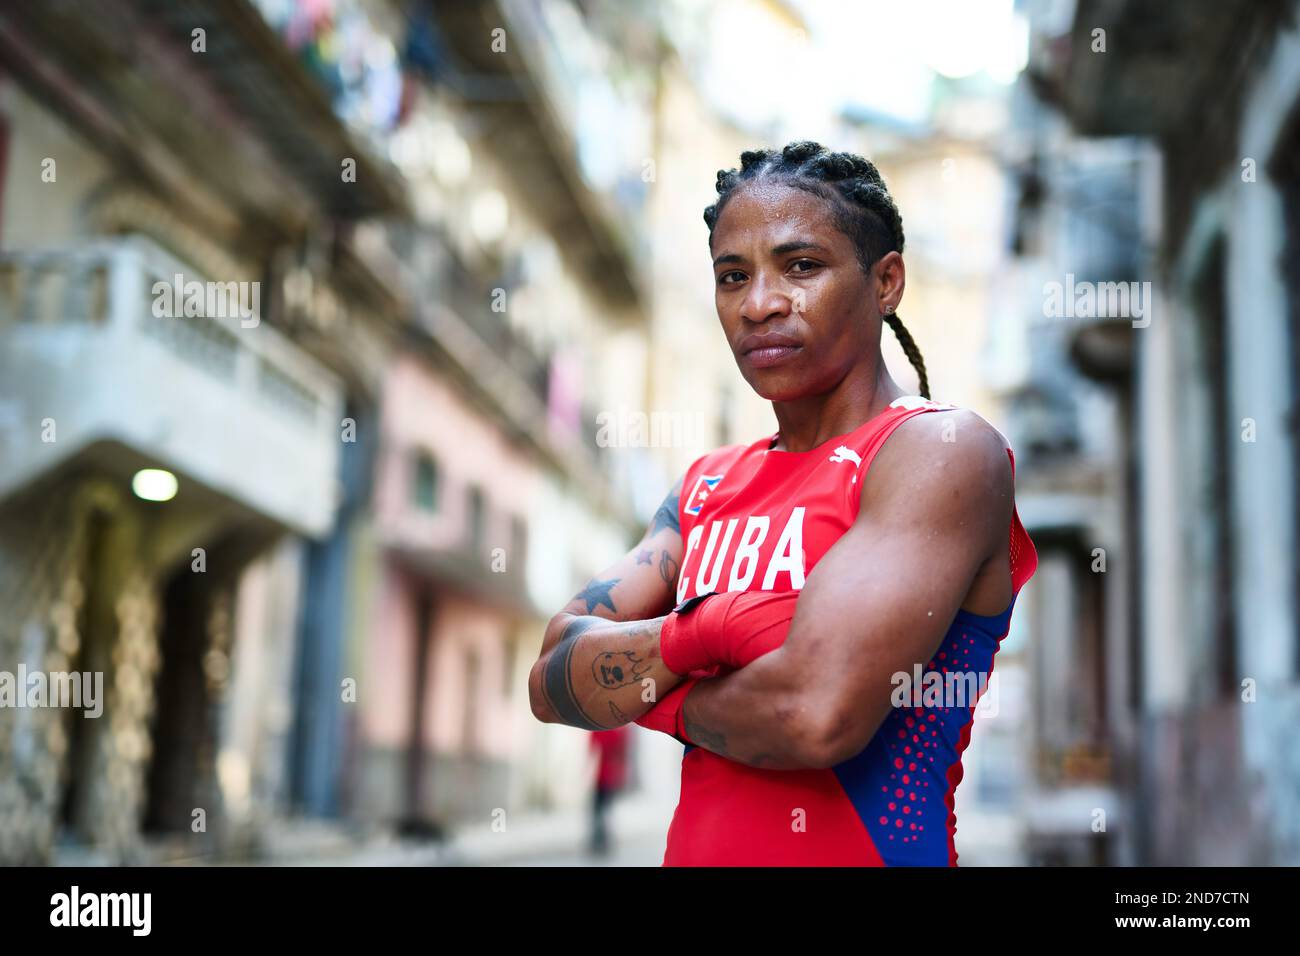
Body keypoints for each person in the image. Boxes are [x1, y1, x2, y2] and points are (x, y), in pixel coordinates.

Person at [528, 141, 1038, 865]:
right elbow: (551, 679)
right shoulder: (706, 485)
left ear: (886, 281)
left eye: (802, 267)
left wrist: (646, 687)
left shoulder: (941, 452)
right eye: (732, 276)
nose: (760, 304)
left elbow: (814, 715)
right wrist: (712, 633)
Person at [587, 725, 630, 856]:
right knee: (604, 809)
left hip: (603, 775)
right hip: (610, 774)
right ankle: (603, 840)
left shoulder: (603, 730)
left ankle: (600, 840)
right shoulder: (620, 730)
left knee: (599, 810)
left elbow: (592, 747)